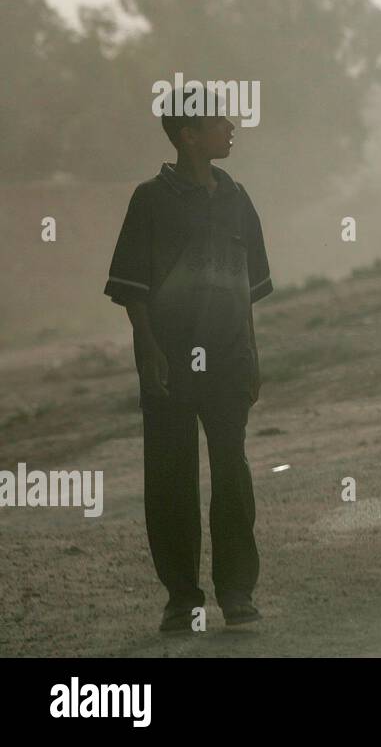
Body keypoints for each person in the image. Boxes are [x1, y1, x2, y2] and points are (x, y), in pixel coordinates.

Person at [104, 108, 272, 633]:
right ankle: (182, 597)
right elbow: (132, 291)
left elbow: (246, 288)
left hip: (227, 360)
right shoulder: (150, 201)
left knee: (231, 473)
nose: (231, 131)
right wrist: (148, 351)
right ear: (188, 137)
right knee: (171, 478)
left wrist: (250, 351)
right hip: (170, 362)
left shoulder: (238, 199)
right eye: (220, 125)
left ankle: (237, 591)